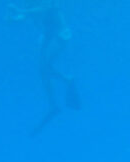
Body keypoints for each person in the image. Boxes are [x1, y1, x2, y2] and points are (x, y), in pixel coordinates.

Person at [7, 1, 80, 134]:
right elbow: (27, 15)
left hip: (60, 35)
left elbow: (41, 10)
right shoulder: (31, 4)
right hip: (48, 36)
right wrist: (14, 18)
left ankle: (67, 81)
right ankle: (54, 103)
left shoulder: (47, 3)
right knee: (42, 70)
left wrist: (19, 11)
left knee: (45, 66)